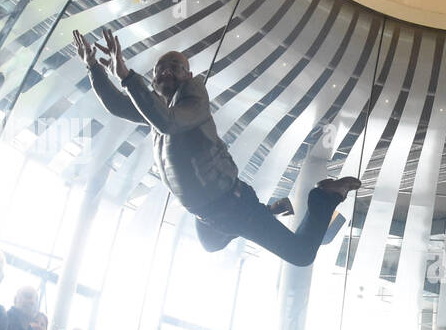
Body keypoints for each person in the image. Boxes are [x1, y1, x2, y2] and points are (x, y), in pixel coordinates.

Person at [75, 28, 360, 261]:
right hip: (209, 213)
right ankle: (267, 212)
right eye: (159, 70)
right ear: (152, 81)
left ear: (187, 76)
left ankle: (324, 198)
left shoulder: (193, 100)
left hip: (231, 206)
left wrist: (126, 76)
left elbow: (169, 123)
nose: (165, 72)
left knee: (300, 254)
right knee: (211, 245)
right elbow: (116, 104)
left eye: (175, 68)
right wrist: (93, 67)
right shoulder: (156, 106)